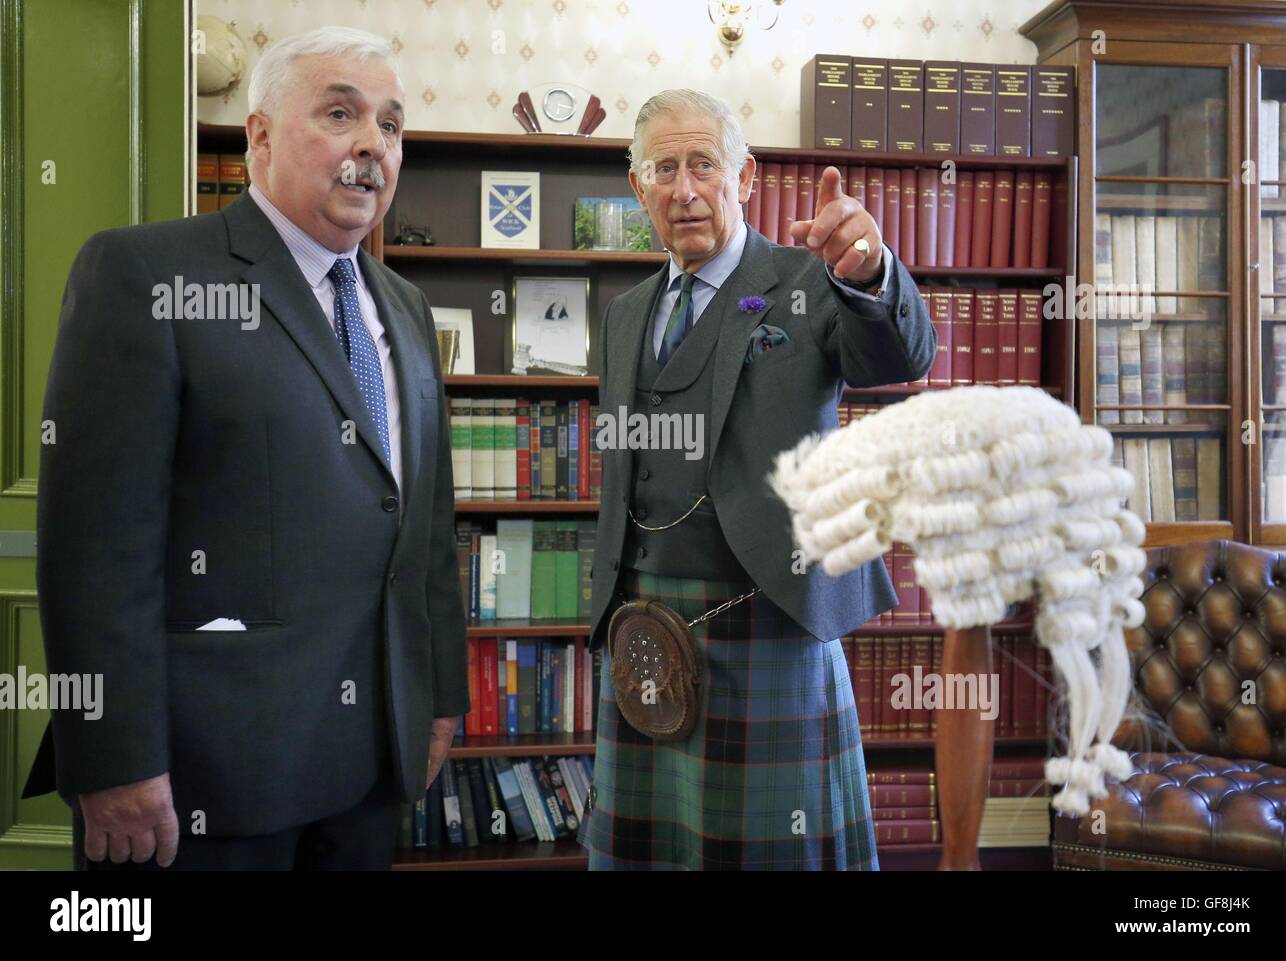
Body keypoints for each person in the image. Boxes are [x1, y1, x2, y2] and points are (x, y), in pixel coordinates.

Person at [22, 26, 468, 870]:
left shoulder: (405, 305)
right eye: (341, 113)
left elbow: (425, 528)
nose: (373, 144)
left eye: (392, 124)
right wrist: (113, 754)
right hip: (206, 782)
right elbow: (93, 550)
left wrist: (442, 692)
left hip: (375, 763)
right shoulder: (146, 274)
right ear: (259, 135)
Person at [578, 89, 937, 870]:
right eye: (663, 169)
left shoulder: (809, 280)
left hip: (771, 613)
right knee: (655, 853)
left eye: (703, 164)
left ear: (745, 179)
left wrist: (871, 271)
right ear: (639, 188)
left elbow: (900, 358)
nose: (684, 189)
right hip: (644, 623)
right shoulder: (625, 313)